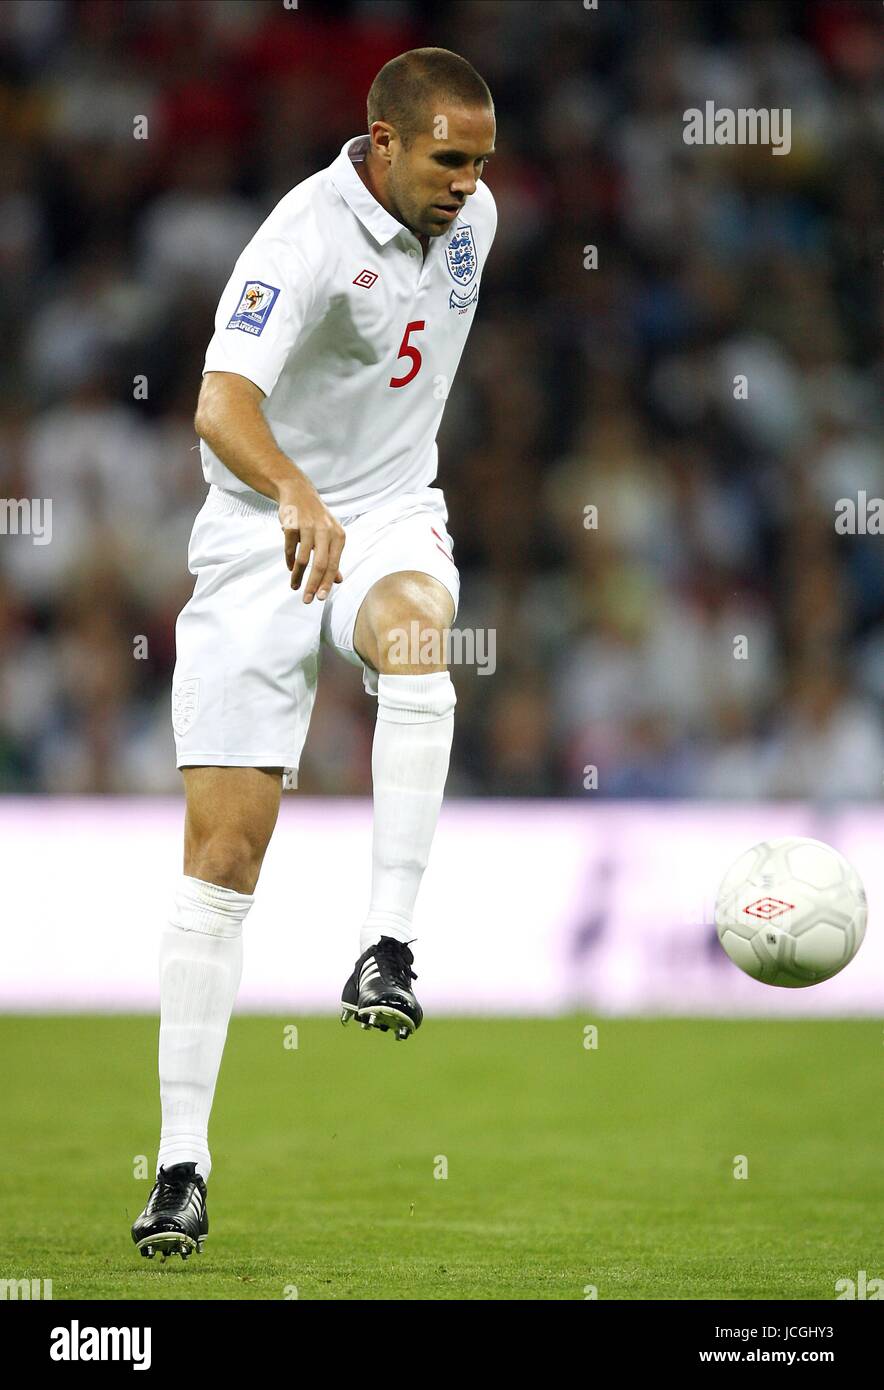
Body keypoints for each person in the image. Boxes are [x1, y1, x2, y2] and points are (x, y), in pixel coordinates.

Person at [131, 47, 497, 1260]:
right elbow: (216, 405)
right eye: (447, 160)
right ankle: (180, 1167)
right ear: (380, 142)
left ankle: (385, 947)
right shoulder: (294, 239)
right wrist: (293, 490)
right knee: (223, 855)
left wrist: (346, 496)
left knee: (414, 639)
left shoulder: (472, 220)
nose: (468, 187)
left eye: (480, 163)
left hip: (388, 515)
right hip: (256, 538)